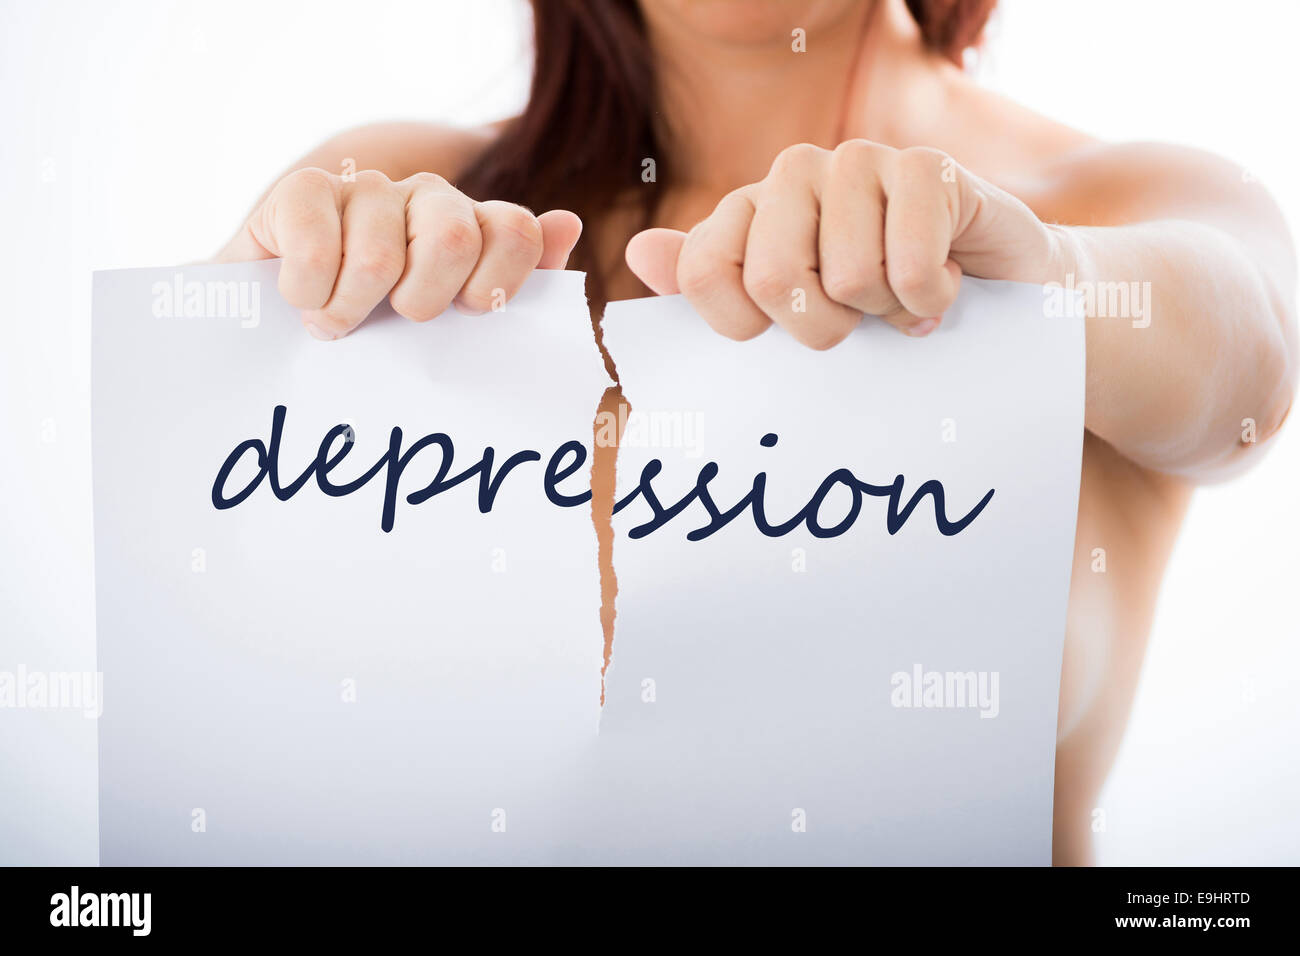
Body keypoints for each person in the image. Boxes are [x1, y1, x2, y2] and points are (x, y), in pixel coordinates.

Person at [215, 0, 1297, 864]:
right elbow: (192, 575)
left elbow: (1250, 373)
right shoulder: (396, 188)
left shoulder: (1112, 205)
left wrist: (1051, 277)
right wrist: (251, 305)